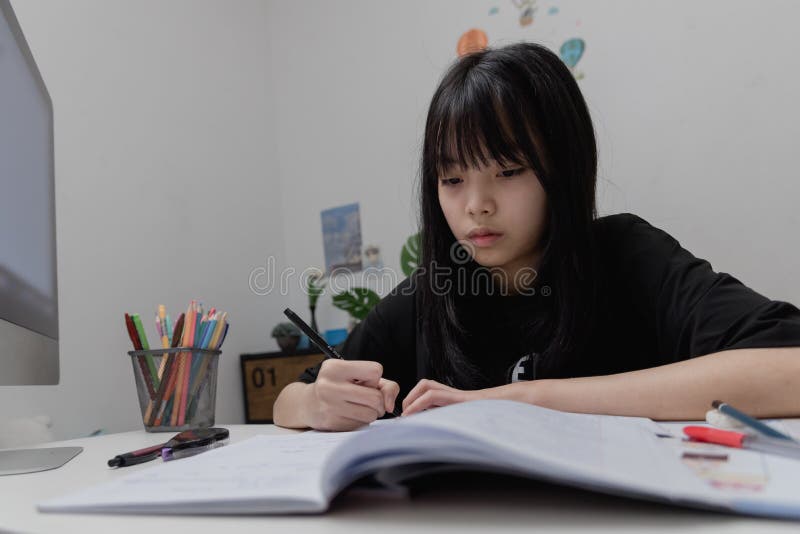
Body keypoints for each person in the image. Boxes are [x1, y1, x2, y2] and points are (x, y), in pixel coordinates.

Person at [273, 42, 800, 431]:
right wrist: (318, 402)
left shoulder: (626, 258)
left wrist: (521, 399)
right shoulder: (432, 294)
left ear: (563, 169)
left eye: (508, 171)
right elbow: (289, 401)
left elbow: (789, 367)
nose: (476, 203)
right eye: (452, 179)